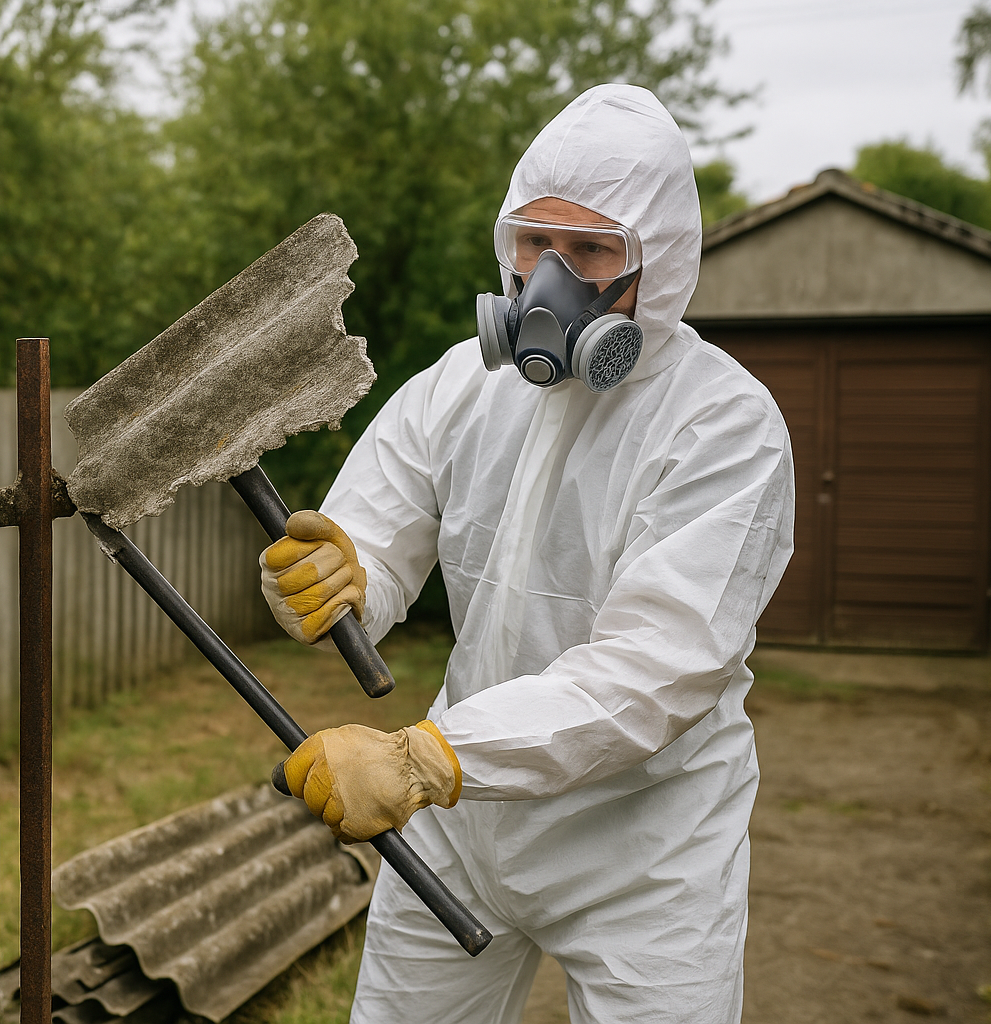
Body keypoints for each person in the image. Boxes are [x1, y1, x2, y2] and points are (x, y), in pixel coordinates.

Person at [258, 84, 796, 1024]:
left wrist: (426, 759)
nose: (550, 279)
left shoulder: (724, 425)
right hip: (465, 827)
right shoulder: (463, 382)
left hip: (644, 845)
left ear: (657, 263)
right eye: (534, 243)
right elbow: (372, 537)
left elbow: (653, 672)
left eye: (591, 251)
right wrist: (344, 577)